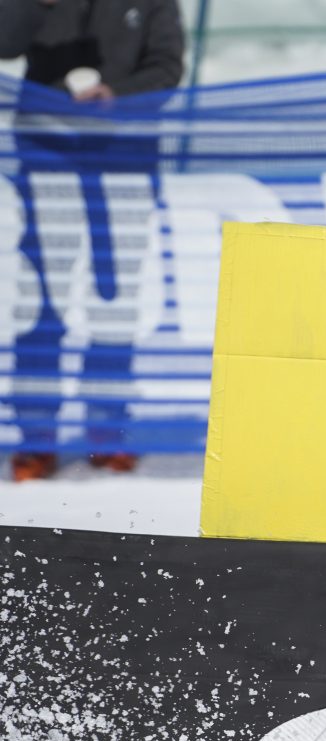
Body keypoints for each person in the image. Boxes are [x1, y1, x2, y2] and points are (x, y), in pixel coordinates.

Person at [1, 0, 185, 480]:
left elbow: (167, 68)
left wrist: (116, 95)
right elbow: (6, 43)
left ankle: (108, 432)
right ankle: (36, 438)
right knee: (40, 297)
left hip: (125, 155)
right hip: (46, 155)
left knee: (116, 299)